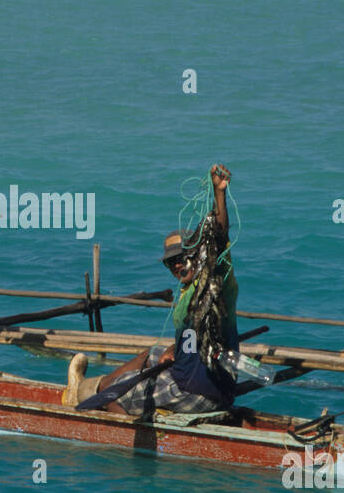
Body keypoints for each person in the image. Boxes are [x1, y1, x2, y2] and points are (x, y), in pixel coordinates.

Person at [63, 164, 238, 419]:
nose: (178, 265)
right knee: (152, 354)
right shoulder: (188, 291)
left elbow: (220, 235)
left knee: (119, 395)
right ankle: (95, 387)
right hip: (198, 380)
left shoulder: (217, 283)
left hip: (197, 390)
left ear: (198, 256)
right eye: (171, 262)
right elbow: (192, 337)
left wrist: (219, 193)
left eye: (183, 257)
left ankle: (110, 406)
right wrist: (176, 348)